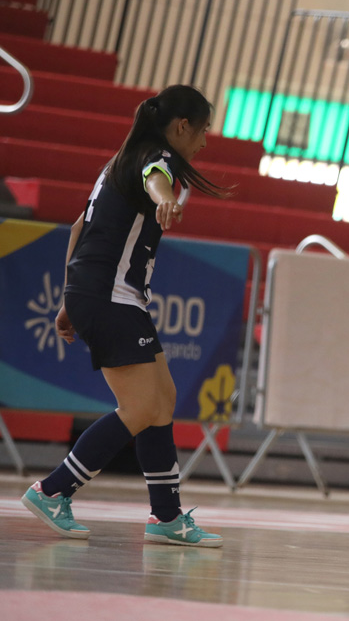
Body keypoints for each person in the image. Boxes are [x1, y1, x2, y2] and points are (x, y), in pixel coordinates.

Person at [20, 85, 230, 548]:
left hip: (104, 294)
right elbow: (158, 177)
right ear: (181, 126)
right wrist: (164, 198)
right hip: (109, 297)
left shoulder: (119, 160)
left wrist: (68, 298)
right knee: (140, 408)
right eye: (203, 130)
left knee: (162, 399)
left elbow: (79, 227)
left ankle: (166, 516)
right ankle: (53, 490)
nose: (204, 141)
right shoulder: (156, 159)